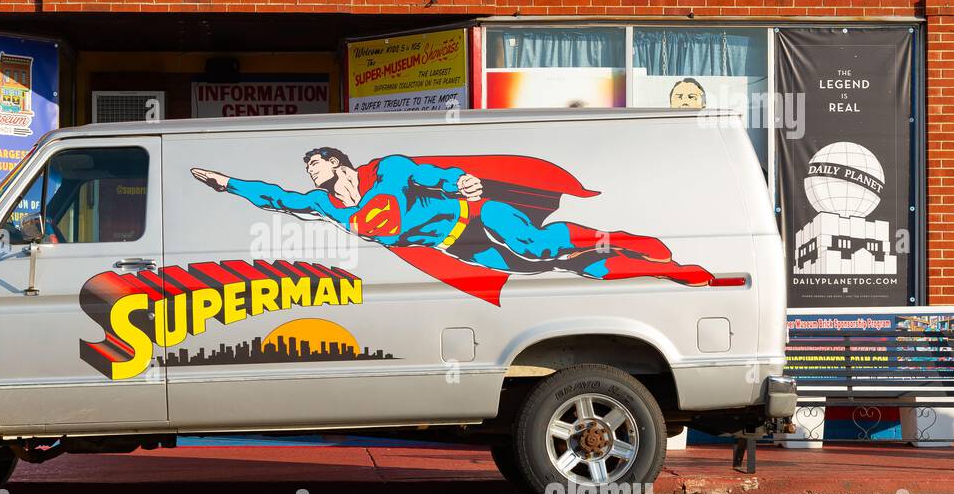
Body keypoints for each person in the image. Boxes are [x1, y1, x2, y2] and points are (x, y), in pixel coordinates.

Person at [191, 147, 714, 303]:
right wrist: (225, 181)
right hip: (456, 244)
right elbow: (276, 198)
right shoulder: (330, 206)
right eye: (307, 169)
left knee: (533, 245)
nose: (309, 173)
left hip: (477, 213)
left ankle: (622, 239)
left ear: (339, 163)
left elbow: (431, 175)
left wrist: (460, 182)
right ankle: (652, 267)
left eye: (316, 165)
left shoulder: (387, 171)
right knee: (555, 268)